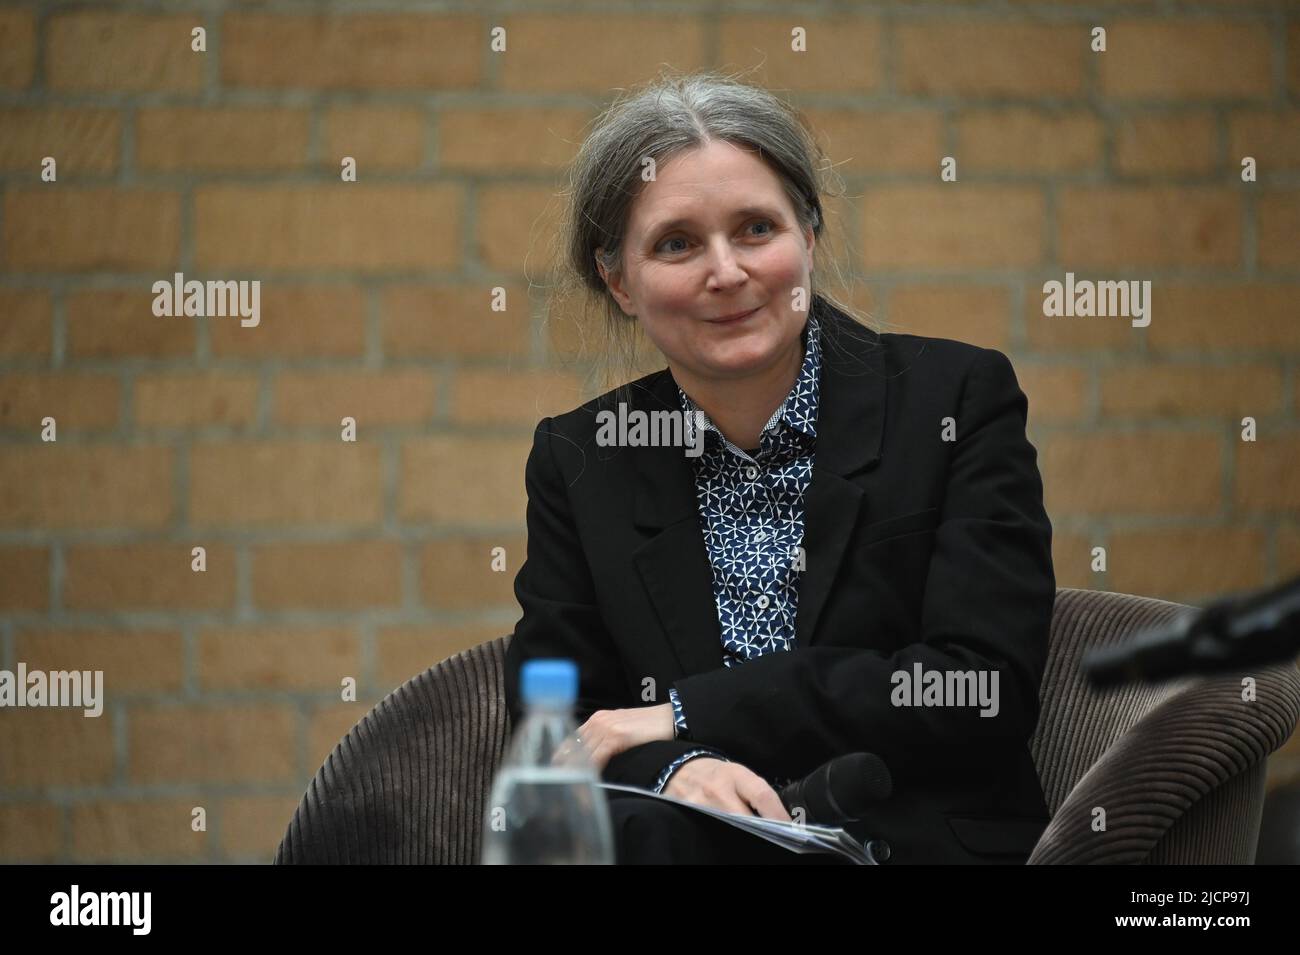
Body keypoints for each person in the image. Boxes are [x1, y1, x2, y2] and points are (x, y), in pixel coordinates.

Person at [503, 70, 1056, 864]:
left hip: (912, 838)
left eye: (756, 228)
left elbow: (978, 686)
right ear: (620, 281)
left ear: (809, 233)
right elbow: (556, 718)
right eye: (676, 243)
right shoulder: (582, 456)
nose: (726, 272)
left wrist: (691, 713)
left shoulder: (956, 399)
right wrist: (679, 765)